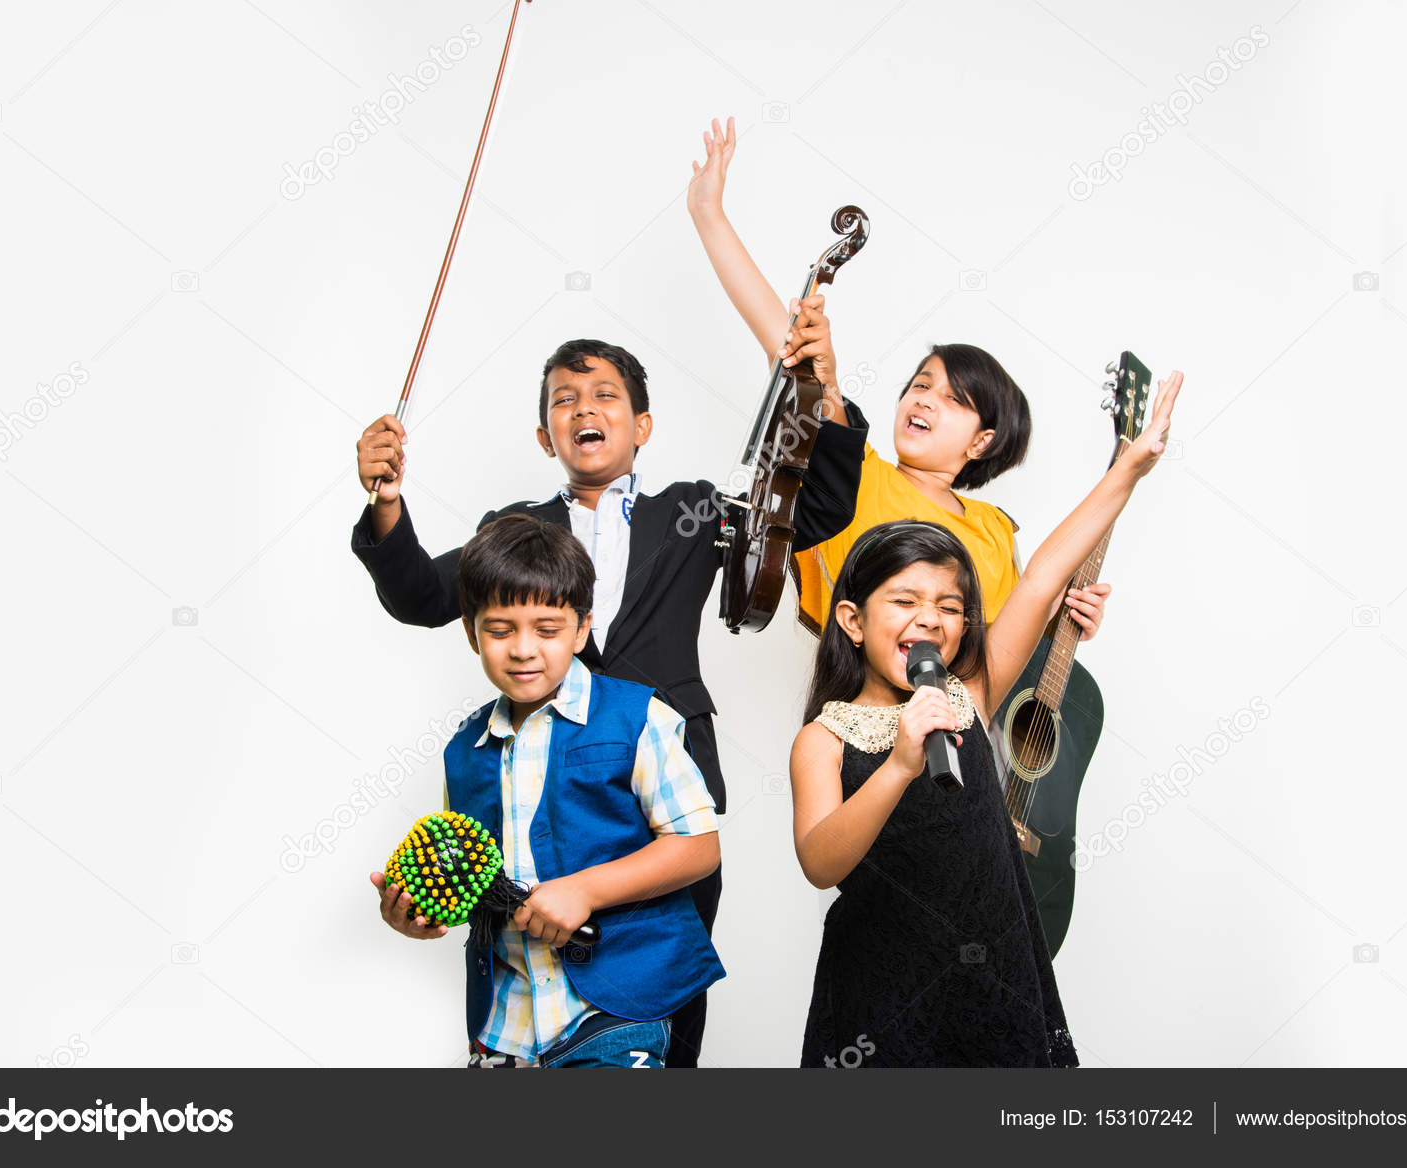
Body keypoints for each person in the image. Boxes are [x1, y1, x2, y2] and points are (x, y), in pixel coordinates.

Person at [352, 337, 867, 1065]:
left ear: (642, 425)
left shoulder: (695, 510)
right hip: (548, 776)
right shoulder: (514, 532)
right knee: (532, 950)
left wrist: (829, 392)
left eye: (604, 398)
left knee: (668, 987)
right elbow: (422, 597)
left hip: (665, 775)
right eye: (564, 400)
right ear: (545, 435)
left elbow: (812, 511)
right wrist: (387, 503)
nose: (583, 409)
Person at [788, 370, 1182, 1066]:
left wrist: (1130, 470)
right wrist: (902, 764)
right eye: (905, 601)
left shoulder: (971, 694)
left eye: (948, 606)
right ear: (851, 620)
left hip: (995, 971)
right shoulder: (824, 739)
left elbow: (1041, 578)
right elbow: (821, 863)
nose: (929, 620)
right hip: (881, 989)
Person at [685, 116, 1112, 640]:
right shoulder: (859, 476)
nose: (926, 400)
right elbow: (785, 341)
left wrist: (1064, 624)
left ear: (984, 440)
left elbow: (1003, 646)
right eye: (921, 384)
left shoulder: (994, 530)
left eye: (955, 399)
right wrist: (709, 215)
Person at [369, 514, 723, 1068]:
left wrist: (583, 890)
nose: (523, 649)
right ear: (471, 632)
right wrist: (423, 908)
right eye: (500, 629)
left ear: (582, 629)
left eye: (547, 629)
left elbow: (698, 846)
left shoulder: (638, 717)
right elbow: (479, 880)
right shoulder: (464, 750)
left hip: (614, 1011)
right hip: (502, 1025)